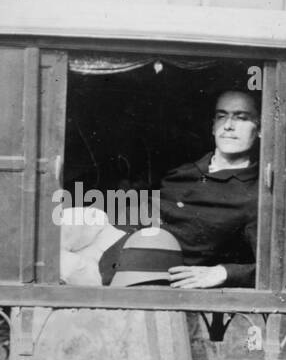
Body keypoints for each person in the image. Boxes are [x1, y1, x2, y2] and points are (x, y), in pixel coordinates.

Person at [61, 89, 260, 289]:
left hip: (132, 268)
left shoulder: (254, 195)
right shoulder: (185, 169)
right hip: (109, 234)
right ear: (212, 126)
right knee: (52, 227)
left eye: (241, 118)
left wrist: (223, 272)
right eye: (221, 116)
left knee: (50, 264)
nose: (228, 126)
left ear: (260, 129)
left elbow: (279, 271)